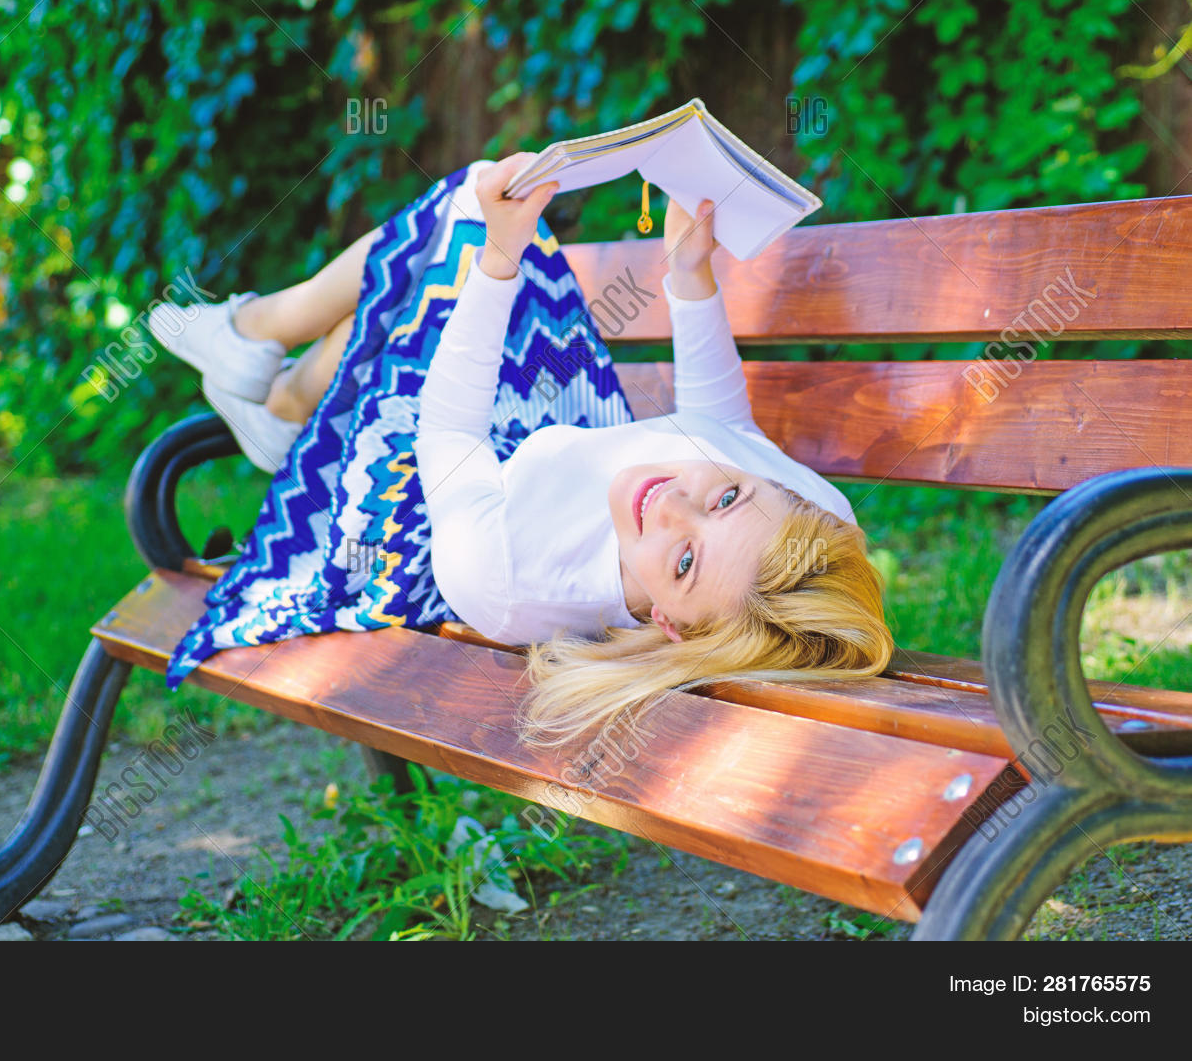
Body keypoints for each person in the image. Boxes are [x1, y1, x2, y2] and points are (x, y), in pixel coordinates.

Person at [148, 154, 893, 747]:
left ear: (666, 622)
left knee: (471, 221)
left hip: (412, 504)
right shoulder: (805, 521)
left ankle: (257, 345)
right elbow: (722, 429)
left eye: (684, 561)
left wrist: (494, 265)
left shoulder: (508, 576)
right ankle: (275, 392)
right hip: (534, 447)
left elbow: (444, 430)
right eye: (725, 497)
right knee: (482, 205)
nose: (671, 506)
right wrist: (689, 276)